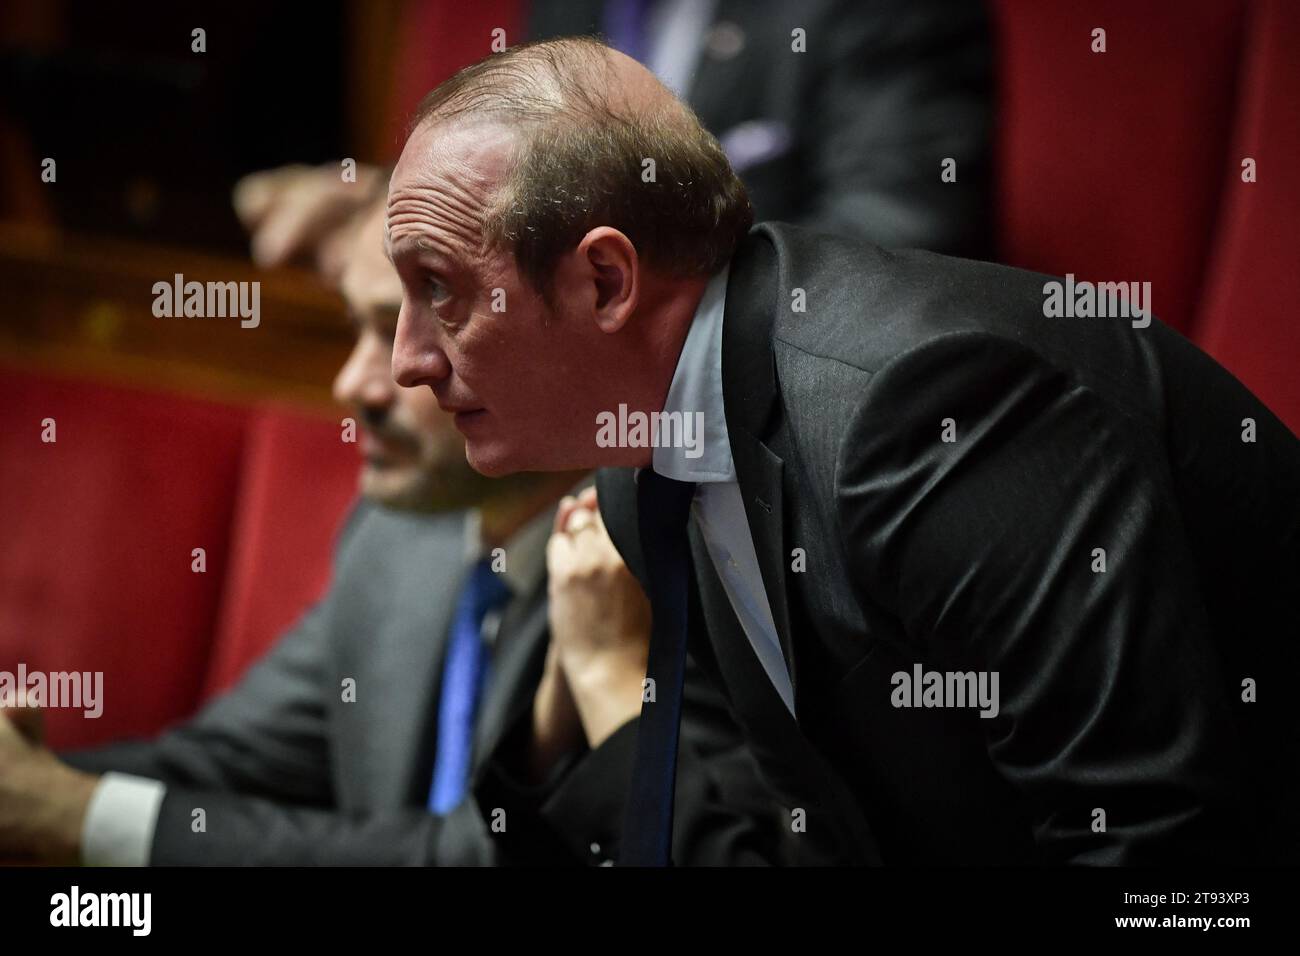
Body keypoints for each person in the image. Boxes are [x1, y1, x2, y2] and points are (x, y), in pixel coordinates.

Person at [384, 37, 1300, 865]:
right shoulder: (646, 482)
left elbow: (1168, 857)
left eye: (440, 289)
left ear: (606, 280)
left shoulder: (923, 412)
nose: (406, 360)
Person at [0, 200, 792, 867]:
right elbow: (227, 768)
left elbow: (485, 856)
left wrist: (68, 812)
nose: (355, 384)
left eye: (405, 330)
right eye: (363, 329)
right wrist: (28, 777)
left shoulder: (670, 560)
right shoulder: (395, 535)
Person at [235, 0, 991, 277]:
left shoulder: (885, 10)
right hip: (568, 427)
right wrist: (383, 205)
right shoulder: (573, 4)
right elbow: (528, 172)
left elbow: (898, 260)